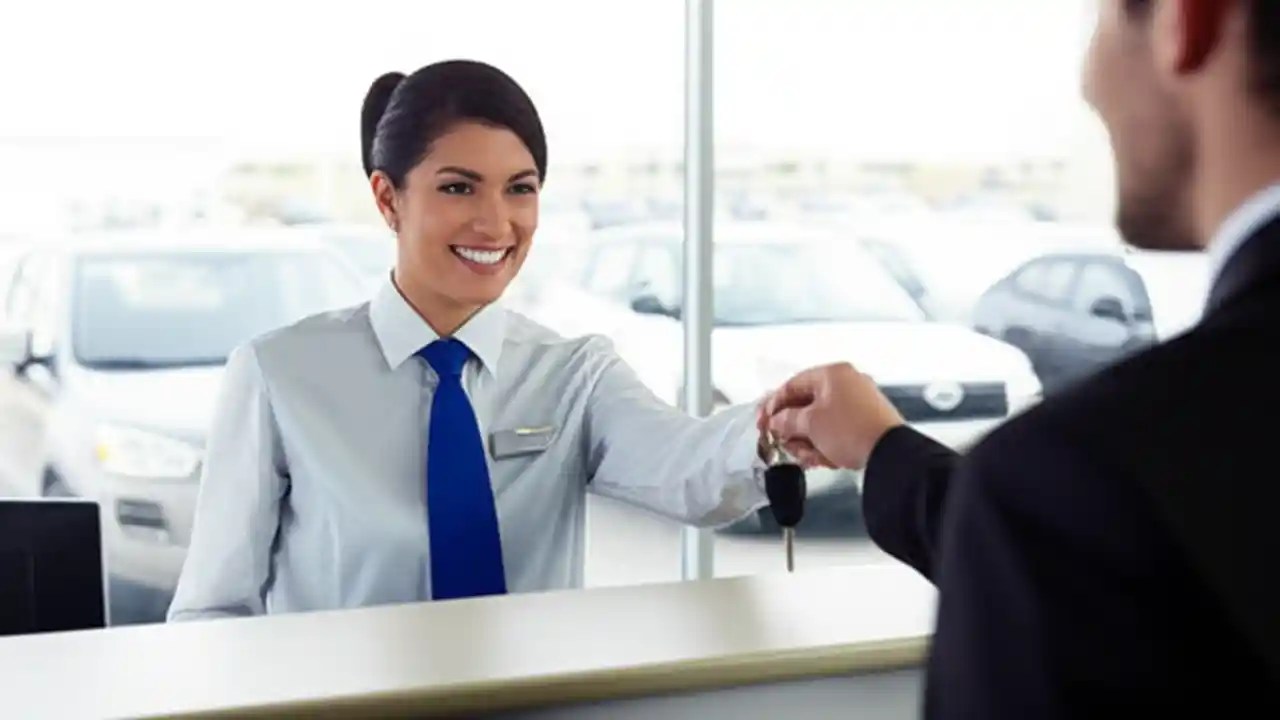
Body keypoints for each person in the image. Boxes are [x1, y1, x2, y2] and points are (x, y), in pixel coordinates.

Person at [762, 1, 1280, 716]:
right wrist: (887, 453)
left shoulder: (1072, 481)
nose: (1088, 83)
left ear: (1185, 22)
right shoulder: (1077, 489)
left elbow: (1102, 536)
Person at [168, 60, 771, 620]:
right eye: (459, 188)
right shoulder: (280, 375)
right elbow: (211, 612)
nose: (495, 222)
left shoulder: (573, 375)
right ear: (387, 198)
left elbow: (695, 475)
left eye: (520, 188)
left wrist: (780, 427)